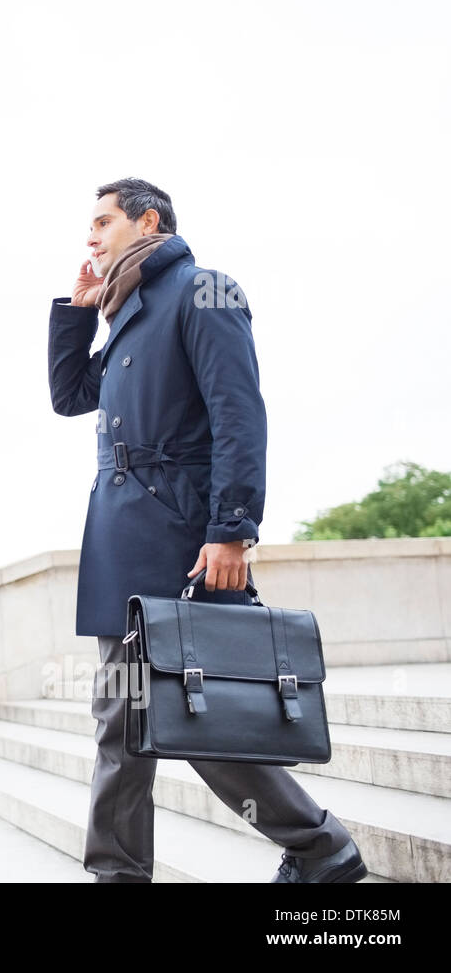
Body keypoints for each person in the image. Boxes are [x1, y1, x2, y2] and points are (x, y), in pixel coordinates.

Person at [46, 177, 368, 883]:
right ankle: (122, 874)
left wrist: (232, 529)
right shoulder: (128, 308)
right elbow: (71, 396)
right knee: (125, 720)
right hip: (121, 541)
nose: (90, 236)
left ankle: (321, 846)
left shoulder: (204, 291)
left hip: (179, 537)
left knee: (194, 718)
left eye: (102, 222)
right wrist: (77, 311)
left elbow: (239, 416)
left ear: (148, 220)